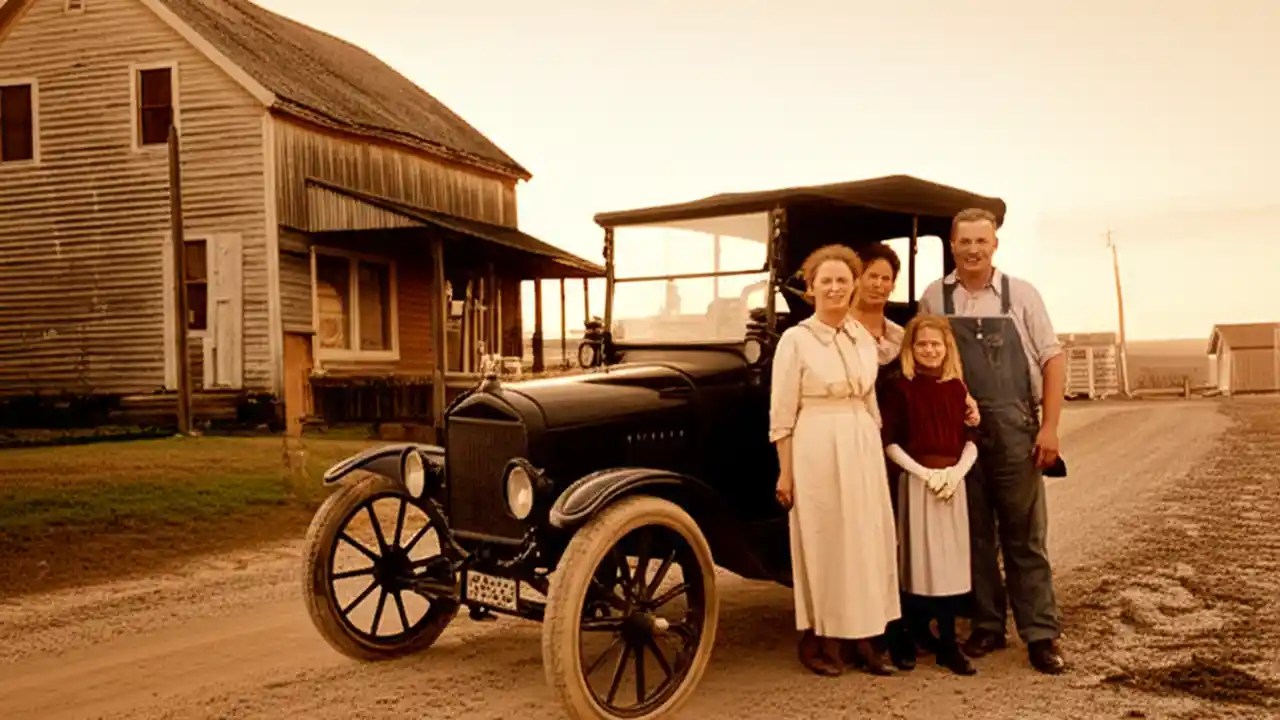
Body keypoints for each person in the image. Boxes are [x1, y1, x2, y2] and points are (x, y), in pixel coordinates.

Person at [917, 207, 1068, 675]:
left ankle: (1041, 633)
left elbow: (1052, 360)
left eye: (982, 241)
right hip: (958, 427)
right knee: (974, 533)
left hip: (1014, 424)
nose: (973, 249)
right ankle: (987, 624)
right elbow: (924, 361)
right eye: (965, 241)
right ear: (953, 243)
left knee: (1024, 534)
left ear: (995, 245)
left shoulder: (1020, 294)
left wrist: (1049, 428)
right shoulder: (935, 297)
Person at [770, 244, 900, 677]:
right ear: (811, 287)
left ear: (853, 286)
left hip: (860, 439)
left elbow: (871, 396)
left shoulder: (862, 337)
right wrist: (785, 472)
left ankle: (865, 636)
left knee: (864, 540)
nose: (835, 288)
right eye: (826, 280)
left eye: (843, 280)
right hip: (816, 444)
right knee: (825, 540)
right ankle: (820, 639)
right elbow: (783, 413)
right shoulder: (796, 340)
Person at [852, 242, 979, 671]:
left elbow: (963, 425)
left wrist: (954, 464)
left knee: (930, 552)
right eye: (872, 275)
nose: (880, 284)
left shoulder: (895, 333)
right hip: (871, 444)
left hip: (920, 458)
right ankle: (886, 631)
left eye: (887, 277)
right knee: (890, 546)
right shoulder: (843, 331)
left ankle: (925, 631)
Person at [879, 314, 980, 676]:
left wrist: (954, 475)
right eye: (922, 343)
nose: (929, 350)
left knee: (950, 563)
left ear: (946, 347)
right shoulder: (900, 388)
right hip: (917, 480)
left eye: (936, 344)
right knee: (917, 560)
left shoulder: (957, 390)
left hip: (952, 482)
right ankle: (908, 634)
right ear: (911, 348)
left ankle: (949, 643)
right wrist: (923, 474)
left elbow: (971, 439)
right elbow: (889, 441)